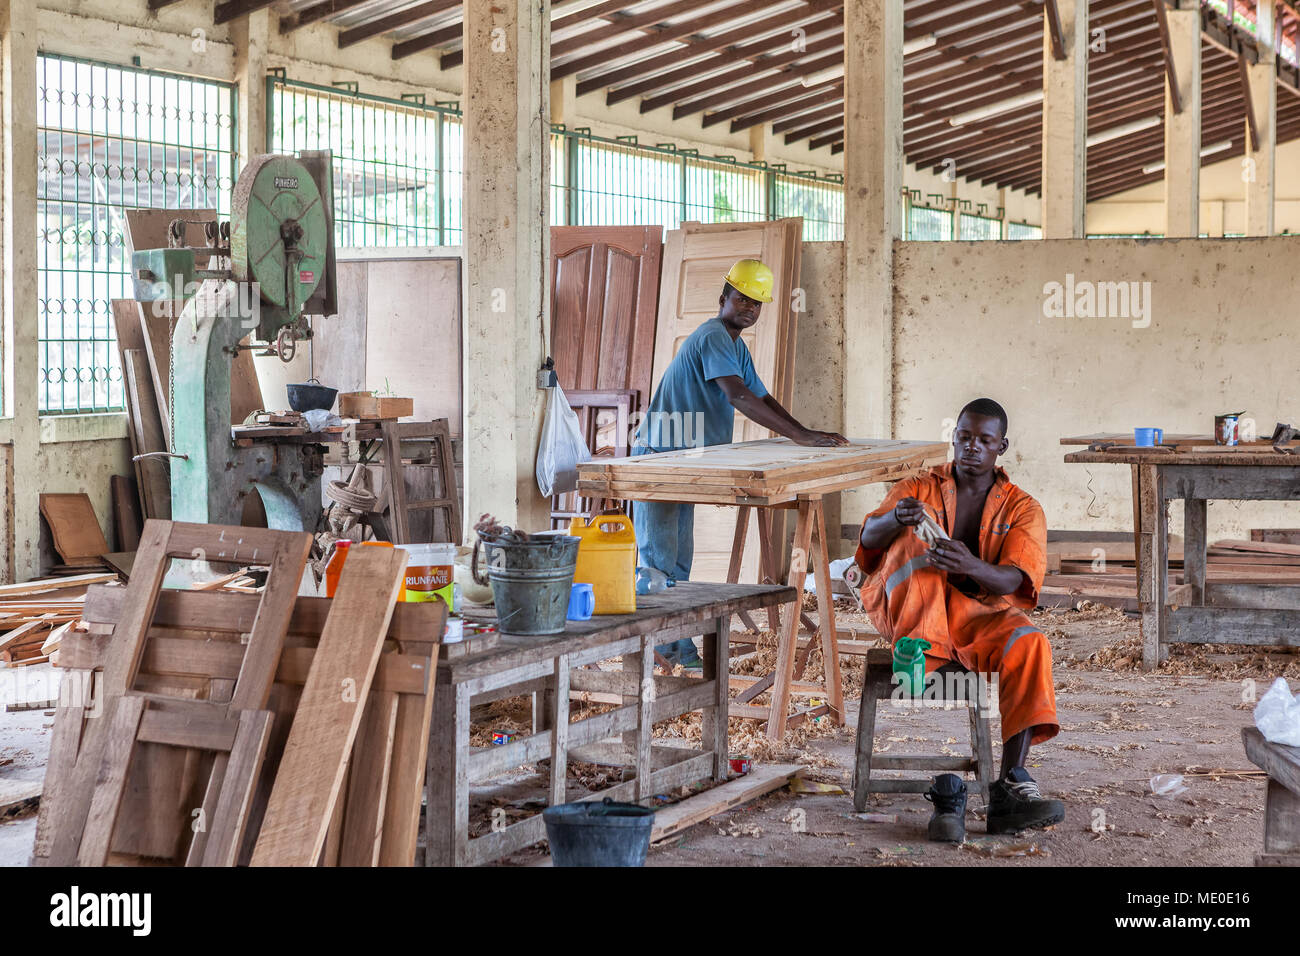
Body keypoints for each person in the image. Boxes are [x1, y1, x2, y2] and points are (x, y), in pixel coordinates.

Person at [853, 398, 1064, 841]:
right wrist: (895, 518)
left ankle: (1012, 787)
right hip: (911, 611)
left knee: (1031, 643)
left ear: (1000, 447)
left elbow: (1013, 580)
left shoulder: (1023, 507)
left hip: (975, 612)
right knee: (914, 543)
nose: (972, 447)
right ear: (955, 438)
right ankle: (922, 651)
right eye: (964, 437)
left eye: (984, 441)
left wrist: (969, 565)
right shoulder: (919, 486)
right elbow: (868, 539)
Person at [633, 258, 848, 667]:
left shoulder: (736, 345)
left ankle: (678, 646)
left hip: (687, 459)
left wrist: (806, 431)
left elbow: (761, 396)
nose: (749, 308)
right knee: (659, 562)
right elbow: (737, 396)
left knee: (678, 562)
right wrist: (801, 437)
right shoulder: (713, 335)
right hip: (661, 459)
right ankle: (658, 652)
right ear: (723, 298)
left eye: (756, 303)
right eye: (742, 299)